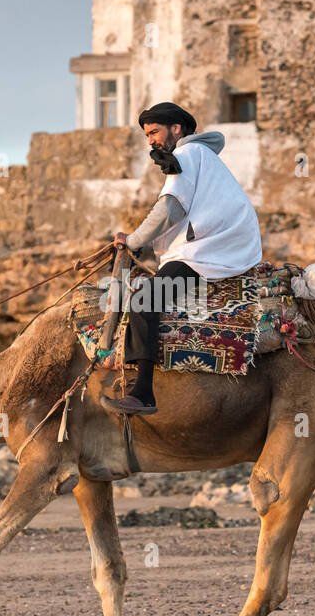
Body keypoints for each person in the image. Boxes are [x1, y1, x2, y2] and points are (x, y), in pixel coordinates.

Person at [101, 101, 263, 415]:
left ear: (177, 129)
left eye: (154, 132)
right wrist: (141, 247)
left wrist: (131, 240)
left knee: (143, 300)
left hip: (206, 253)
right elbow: (178, 222)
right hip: (220, 249)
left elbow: (169, 210)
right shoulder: (202, 160)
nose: (150, 141)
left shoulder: (187, 155)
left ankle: (143, 394)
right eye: (147, 136)